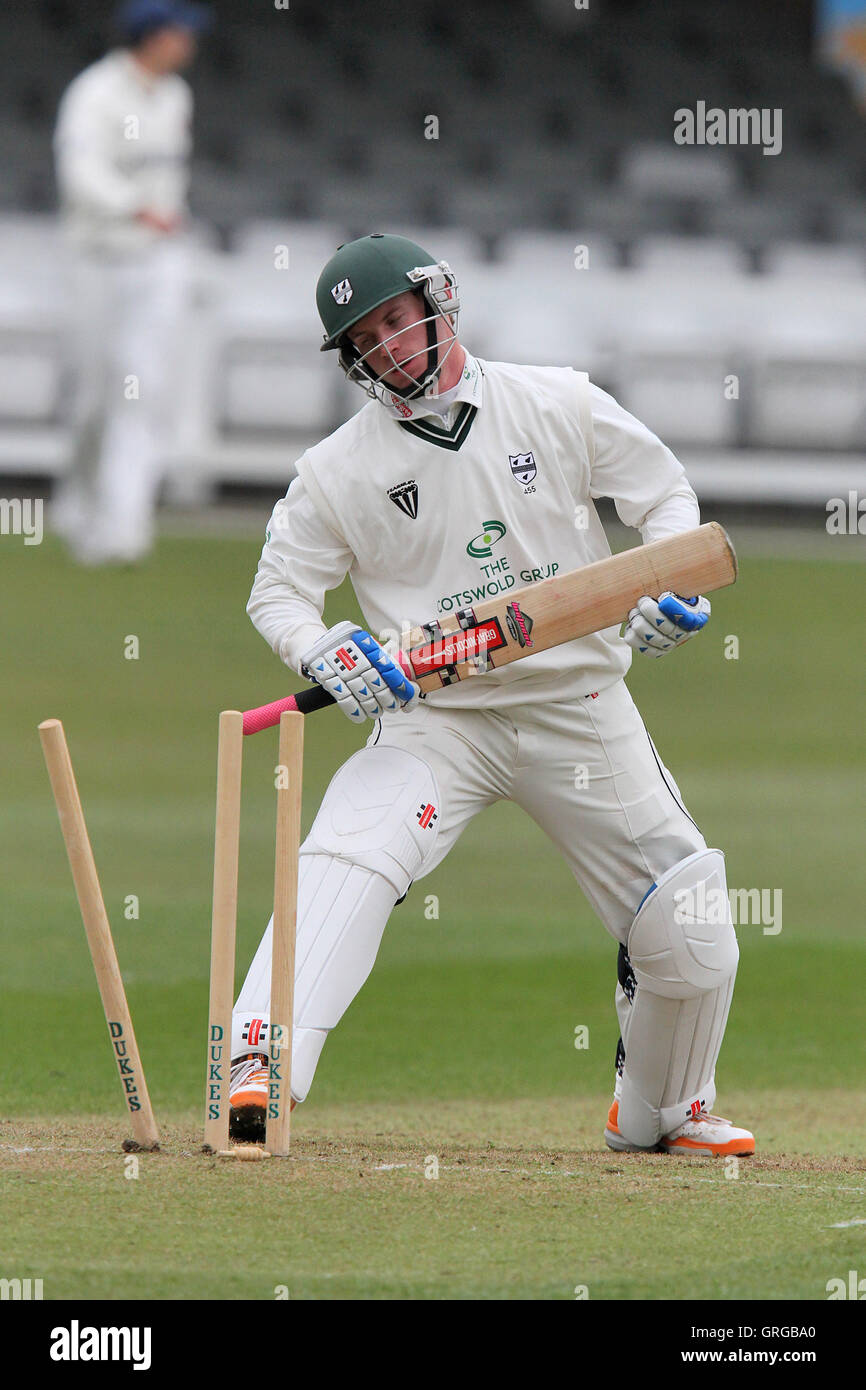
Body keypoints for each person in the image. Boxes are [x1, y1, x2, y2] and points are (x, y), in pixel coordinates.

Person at [229, 233, 755, 1158]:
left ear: (439, 302)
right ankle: (256, 1067)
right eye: (365, 338)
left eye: (397, 318)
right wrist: (326, 649)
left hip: (579, 701)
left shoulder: (556, 400)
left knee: (691, 925)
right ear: (351, 360)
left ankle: (664, 1111)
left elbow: (665, 497)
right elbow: (279, 592)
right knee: (351, 856)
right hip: (435, 715)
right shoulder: (336, 471)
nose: (389, 346)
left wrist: (678, 588)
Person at [52, 0, 210, 565]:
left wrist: (161, 218)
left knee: (144, 389)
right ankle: (79, 504)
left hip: (158, 260)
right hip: (97, 259)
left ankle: (125, 527)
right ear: (151, 35)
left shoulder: (174, 96)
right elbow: (79, 174)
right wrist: (136, 206)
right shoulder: (94, 93)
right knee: (94, 396)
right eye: (180, 31)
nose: (189, 42)